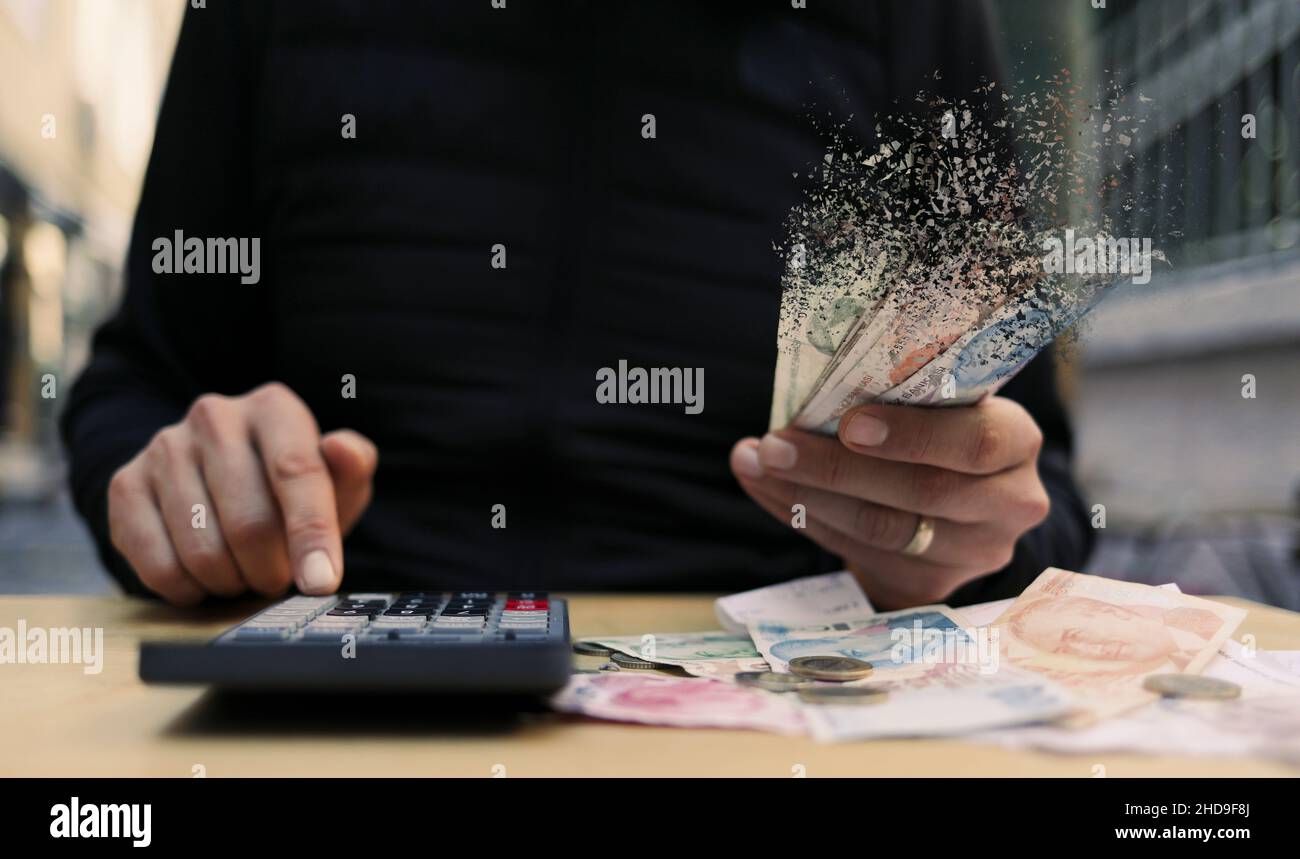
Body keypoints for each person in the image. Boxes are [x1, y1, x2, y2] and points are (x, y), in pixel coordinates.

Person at [61, 0, 1092, 609]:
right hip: (334, 671)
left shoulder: (908, 16)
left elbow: (1035, 485)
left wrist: (951, 547)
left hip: (770, 695)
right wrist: (185, 500)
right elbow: (140, 386)